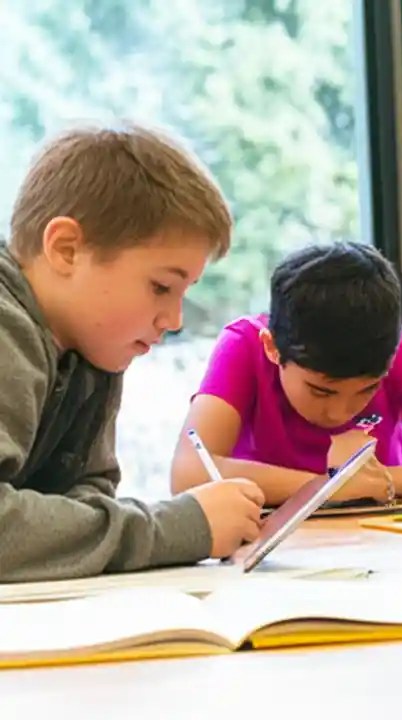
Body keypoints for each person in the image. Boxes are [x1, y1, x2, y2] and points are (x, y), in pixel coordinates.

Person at [0, 123, 265, 581]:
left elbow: (86, 495)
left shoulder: (92, 343)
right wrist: (179, 528)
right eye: (161, 286)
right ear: (66, 250)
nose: (174, 319)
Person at [172, 242, 402, 507]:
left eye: (367, 391)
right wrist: (329, 487)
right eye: (321, 391)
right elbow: (189, 474)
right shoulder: (244, 346)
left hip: (383, 548)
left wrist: (384, 482)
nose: (341, 413)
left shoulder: (392, 346)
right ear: (273, 348)